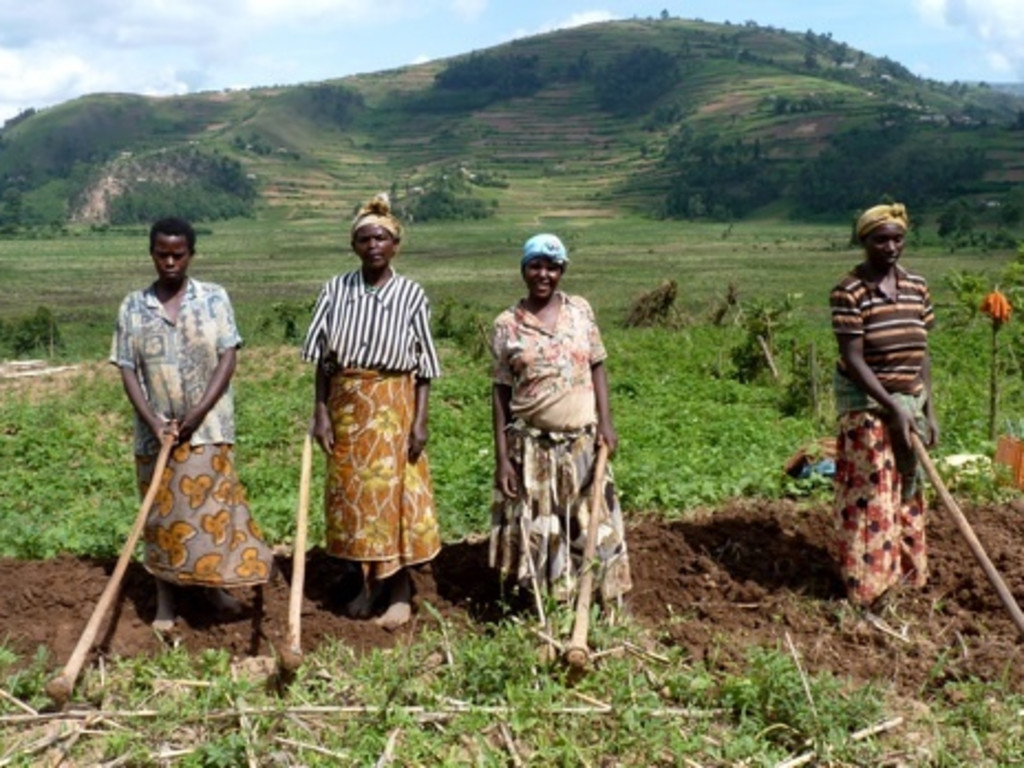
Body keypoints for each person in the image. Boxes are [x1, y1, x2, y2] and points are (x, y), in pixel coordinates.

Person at [111, 217, 274, 632]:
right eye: (162, 254)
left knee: (208, 514)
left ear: (190, 255)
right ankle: (166, 599)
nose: (170, 261)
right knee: (162, 519)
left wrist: (197, 413)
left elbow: (227, 357)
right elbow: (128, 369)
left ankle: (212, 591)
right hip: (156, 435)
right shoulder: (134, 305)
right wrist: (154, 420)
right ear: (151, 253)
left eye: (178, 254)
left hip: (208, 430)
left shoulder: (214, 299)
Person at [301, 193, 441, 630]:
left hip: (392, 407)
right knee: (355, 500)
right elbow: (323, 362)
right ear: (354, 246)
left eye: (381, 238)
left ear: (395, 244)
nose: (373, 246)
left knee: (394, 497)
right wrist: (320, 413)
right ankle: (366, 583)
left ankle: (398, 591)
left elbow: (424, 368)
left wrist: (419, 421)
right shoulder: (334, 291)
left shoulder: (411, 295)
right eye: (364, 239)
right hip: (347, 407)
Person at [489, 233, 631, 606]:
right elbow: (501, 391)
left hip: (582, 442)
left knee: (590, 521)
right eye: (536, 266)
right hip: (533, 447)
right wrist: (503, 457)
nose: (544, 274)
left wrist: (606, 423)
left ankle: (600, 599)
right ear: (523, 270)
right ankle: (547, 601)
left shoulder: (580, 311)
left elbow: (597, 364)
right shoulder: (507, 324)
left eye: (552, 267)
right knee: (540, 527)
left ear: (562, 270)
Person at [830, 202, 938, 610]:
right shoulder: (849, 291)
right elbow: (854, 360)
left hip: (909, 401)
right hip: (866, 406)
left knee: (909, 489)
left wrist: (928, 411)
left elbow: (923, 352)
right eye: (880, 239)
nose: (890, 246)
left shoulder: (917, 287)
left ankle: (909, 579)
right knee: (873, 492)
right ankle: (869, 587)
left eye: (897, 239)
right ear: (864, 242)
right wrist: (891, 406)